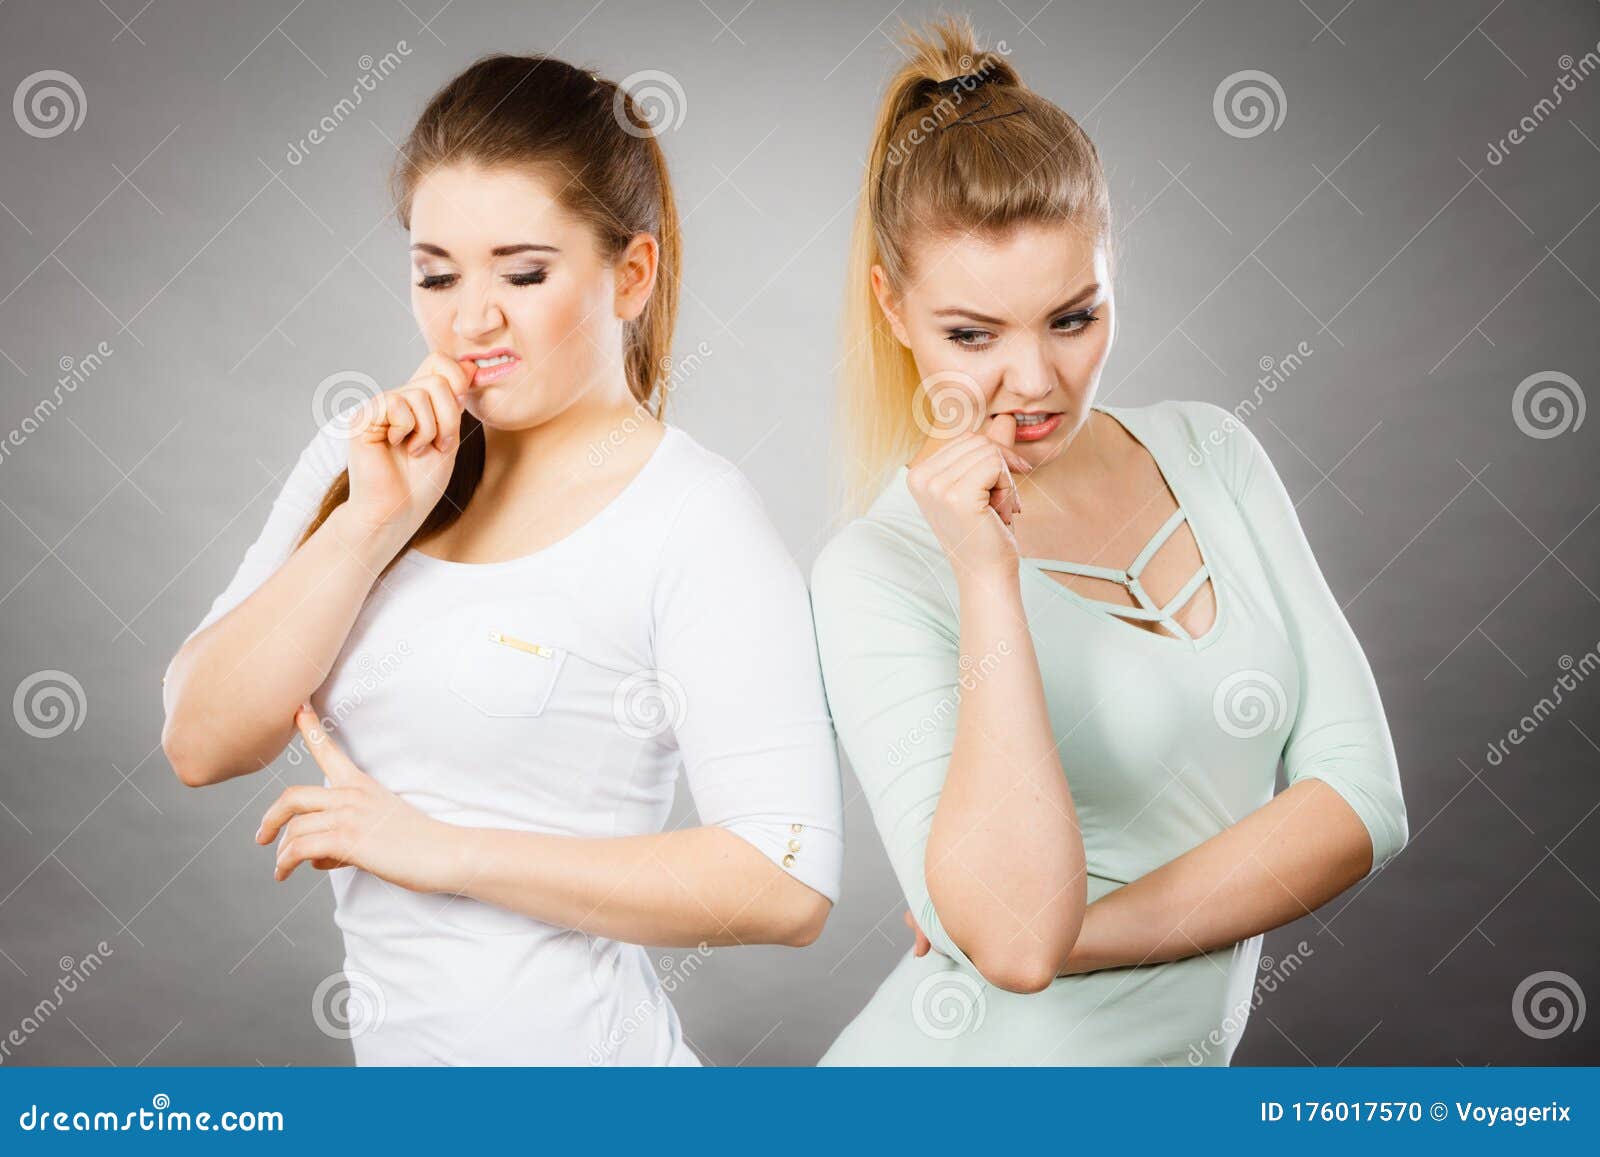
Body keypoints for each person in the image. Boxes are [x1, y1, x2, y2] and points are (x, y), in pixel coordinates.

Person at [161, 53, 843, 1066]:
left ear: (631, 273)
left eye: (522, 273)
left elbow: (787, 878)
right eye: (435, 271)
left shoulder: (694, 517)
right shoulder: (366, 460)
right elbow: (199, 738)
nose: (470, 318)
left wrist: (443, 851)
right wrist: (367, 527)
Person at [809, 16, 1407, 1065]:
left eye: (1072, 318)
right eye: (971, 334)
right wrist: (988, 577)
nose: (1033, 383)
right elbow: (1005, 936)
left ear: (1111, 275)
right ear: (892, 309)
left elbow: (1362, 801)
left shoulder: (1211, 451)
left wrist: (1078, 932)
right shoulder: (880, 569)